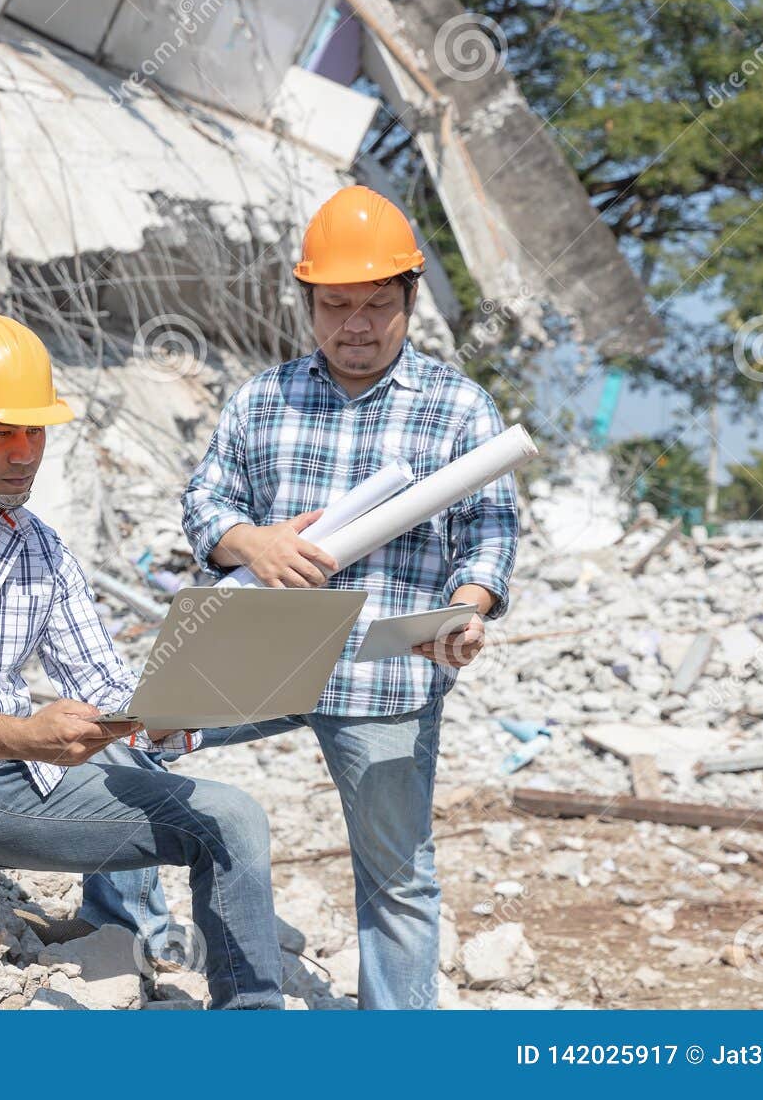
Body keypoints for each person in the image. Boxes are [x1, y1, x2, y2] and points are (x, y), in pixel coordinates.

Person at [82, 186, 520, 1010]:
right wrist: (254, 543)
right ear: (309, 301)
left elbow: (490, 531)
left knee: (396, 877)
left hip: (382, 679)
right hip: (259, 651)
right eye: (335, 306)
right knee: (126, 741)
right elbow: (206, 505)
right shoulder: (263, 397)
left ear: (410, 298)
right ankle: (120, 933)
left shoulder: (459, 408)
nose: (355, 324)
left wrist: (468, 606)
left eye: (376, 305)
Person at [0, 312, 285, 1010]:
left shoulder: (41, 547)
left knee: (235, 815)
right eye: (1, 431)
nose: (23, 452)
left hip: (12, 792)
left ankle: (253, 1027)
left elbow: (103, 681)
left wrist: (166, 713)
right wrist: (22, 732)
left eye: (34, 430)